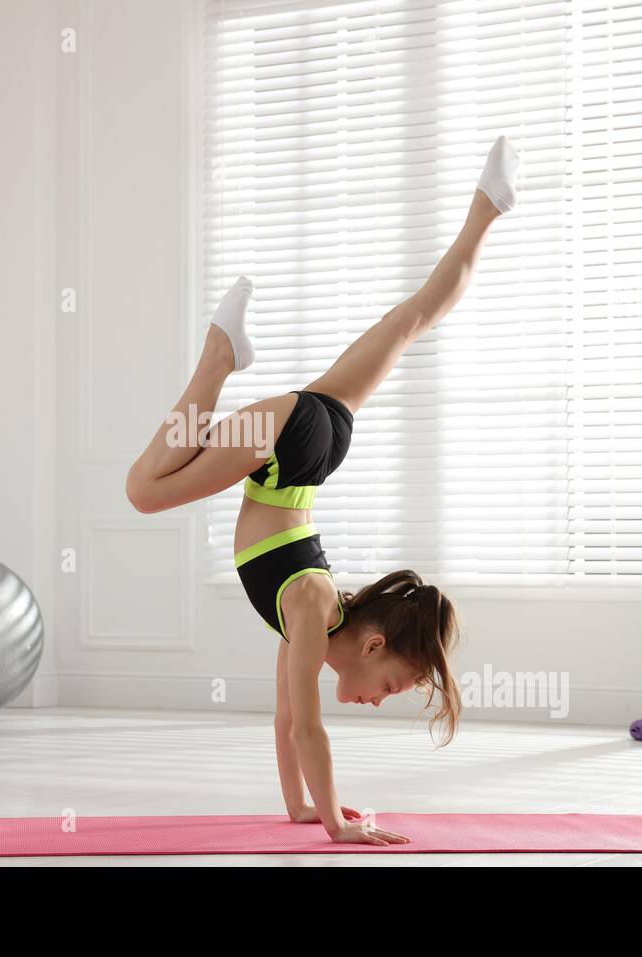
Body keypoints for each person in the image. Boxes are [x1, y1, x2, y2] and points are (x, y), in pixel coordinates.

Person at [126, 137, 522, 845]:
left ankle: (486, 209)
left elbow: (285, 720)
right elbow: (309, 726)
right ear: (372, 646)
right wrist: (339, 824)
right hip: (285, 452)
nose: (379, 701)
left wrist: (302, 811)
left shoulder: (315, 616)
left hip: (317, 443)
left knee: (413, 319)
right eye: (395, 685)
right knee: (144, 491)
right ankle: (218, 356)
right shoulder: (311, 605)